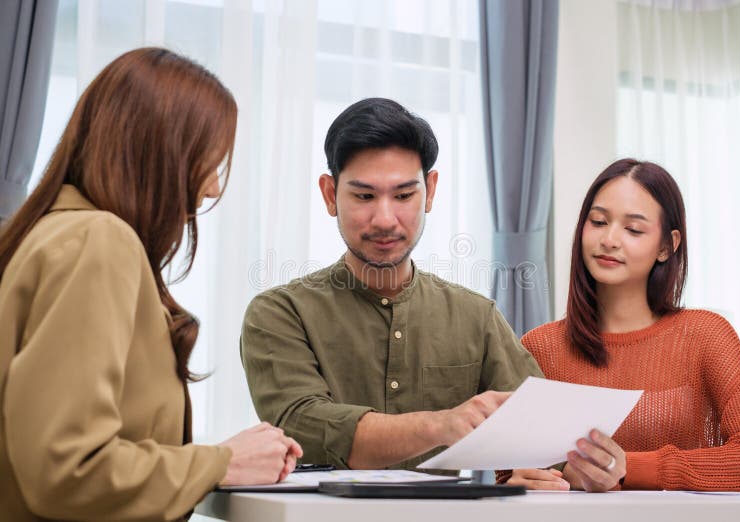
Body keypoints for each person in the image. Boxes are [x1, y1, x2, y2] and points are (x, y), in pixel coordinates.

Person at [0, 48, 302, 521]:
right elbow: (68, 469)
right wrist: (221, 463)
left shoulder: (46, 234)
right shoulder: (97, 241)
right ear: (161, 152)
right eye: (209, 160)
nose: (212, 189)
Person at [240, 97, 561, 476]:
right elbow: (302, 425)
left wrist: (567, 468)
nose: (385, 218)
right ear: (330, 195)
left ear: (431, 190)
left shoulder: (476, 316)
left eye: (404, 195)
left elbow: (543, 436)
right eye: (364, 196)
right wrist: (440, 425)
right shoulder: (279, 313)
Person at [502, 158, 740, 492]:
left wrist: (629, 469)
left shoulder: (706, 335)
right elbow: (513, 471)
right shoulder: (540, 346)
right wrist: (519, 480)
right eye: (598, 222)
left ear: (667, 246)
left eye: (633, 229)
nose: (609, 239)